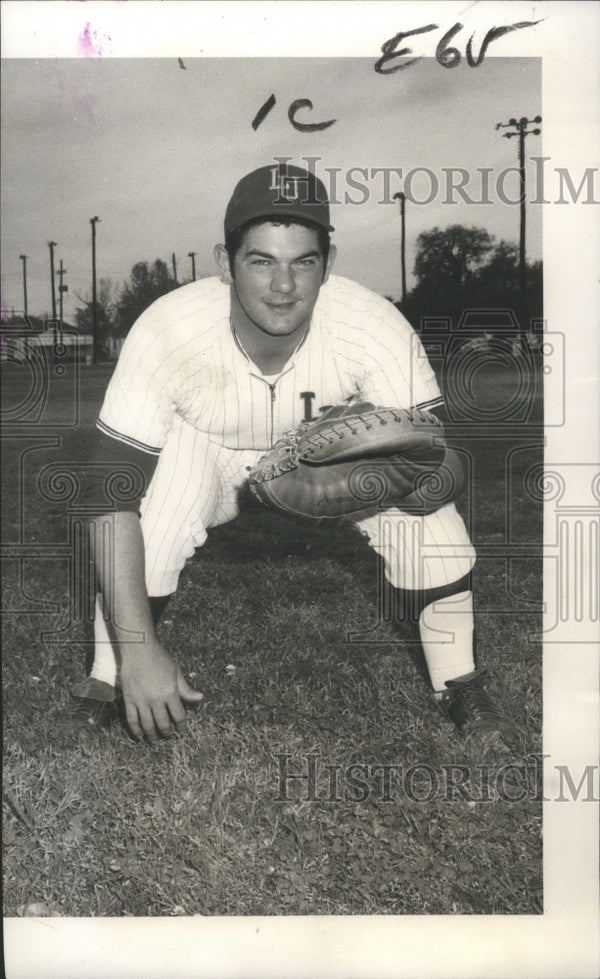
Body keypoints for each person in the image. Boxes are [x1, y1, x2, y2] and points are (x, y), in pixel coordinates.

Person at [65, 162, 520, 750]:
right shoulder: (167, 328)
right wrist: (139, 647)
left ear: (328, 264)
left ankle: (460, 681)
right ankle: (111, 676)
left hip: (330, 462)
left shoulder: (373, 325)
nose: (284, 285)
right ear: (224, 263)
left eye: (303, 261)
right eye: (262, 260)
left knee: (431, 523)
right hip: (208, 449)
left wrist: (405, 478)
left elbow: (446, 463)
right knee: (156, 518)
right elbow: (109, 494)